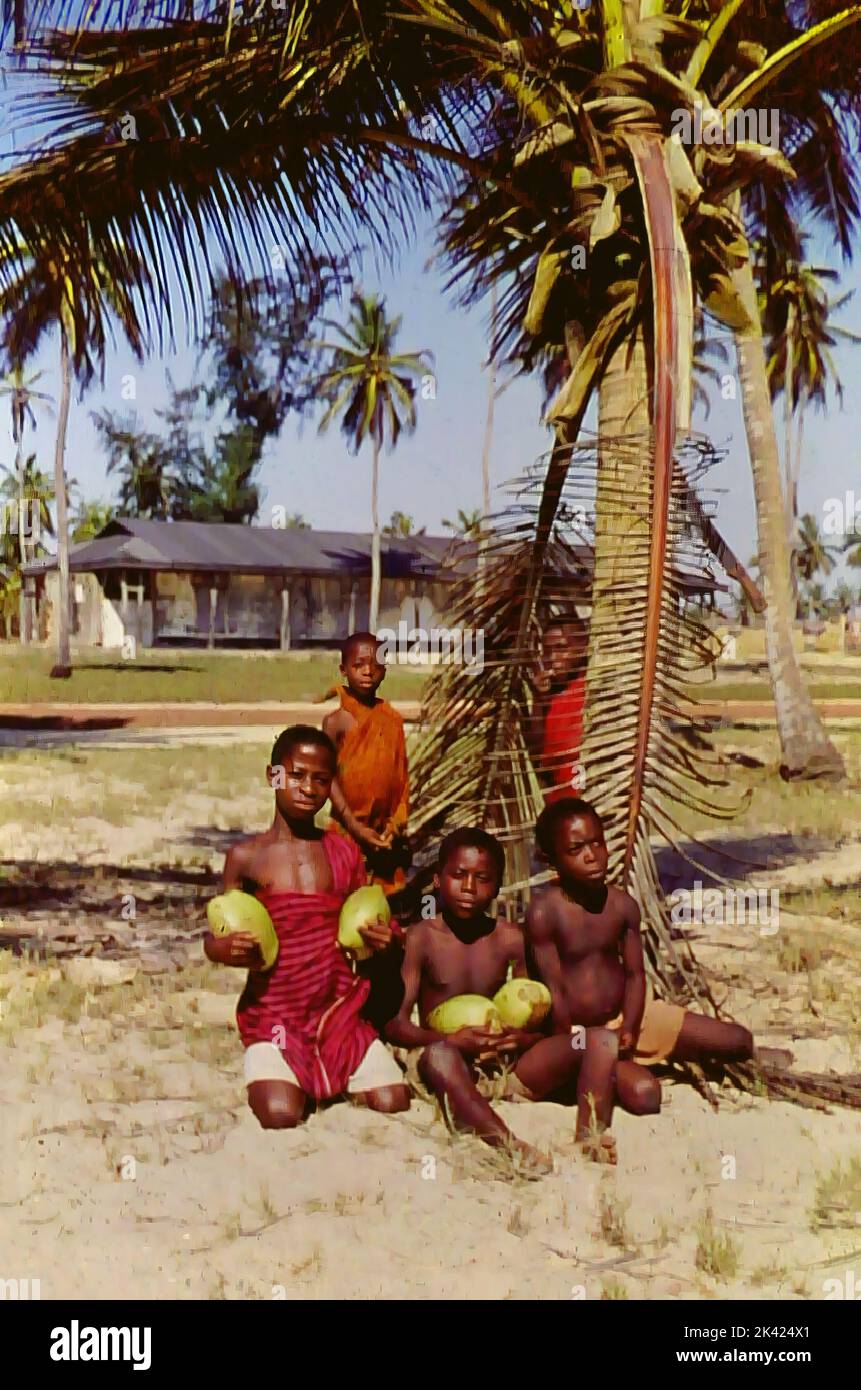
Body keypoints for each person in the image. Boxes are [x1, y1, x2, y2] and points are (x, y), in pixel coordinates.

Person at [203, 724, 410, 1128]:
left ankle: (340, 1065)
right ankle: (273, 1061)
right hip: (276, 1012)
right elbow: (216, 936)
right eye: (296, 775)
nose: (308, 788)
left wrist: (386, 939)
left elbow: (366, 914)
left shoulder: (343, 852)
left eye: (320, 779)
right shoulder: (247, 857)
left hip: (337, 1011)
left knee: (393, 1101)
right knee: (280, 1113)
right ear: (273, 776)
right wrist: (223, 951)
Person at [386, 827, 620, 1173]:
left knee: (599, 1038)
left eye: (482, 878)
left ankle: (591, 1135)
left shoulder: (511, 938)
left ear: (496, 887)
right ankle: (504, 1142)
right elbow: (396, 1024)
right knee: (439, 1057)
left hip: (508, 1065)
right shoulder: (420, 939)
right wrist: (450, 1039)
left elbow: (539, 1017)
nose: (469, 887)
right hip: (451, 1062)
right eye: (458, 875)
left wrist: (520, 1038)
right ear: (437, 880)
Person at [526, 797, 755, 1129]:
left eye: (597, 843)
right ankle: (603, 1073)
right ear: (551, 860)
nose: (592, 855)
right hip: (579, 1035)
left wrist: (630, 1029)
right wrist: (591, 1041)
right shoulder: (545, 912)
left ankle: (647, 1055)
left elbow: (635, 975)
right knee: (646, 1096)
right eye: (576, 849)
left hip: (631, 1017)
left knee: (738, 1040)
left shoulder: (622, 905)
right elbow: (554, 992)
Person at [323, 632, 410, 894]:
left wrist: (396, 823)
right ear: (344, 670)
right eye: (358, 665)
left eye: (375, 666)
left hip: (384, 832)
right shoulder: (336, 721)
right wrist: (354, 825)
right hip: (347, 829)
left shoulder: (392, 720)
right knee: (343, 895)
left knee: (384, 903)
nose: (367, 672)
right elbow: (327, 776)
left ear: (384, 670)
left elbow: (401, 778)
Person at [525, 615, 589, 802]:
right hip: (556, 798)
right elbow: (537, 753)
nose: (553, 658)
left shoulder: (590, 690)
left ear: (582, 648)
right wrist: (538, 698)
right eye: (547, 651)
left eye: (561, 648)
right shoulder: (553, 696)